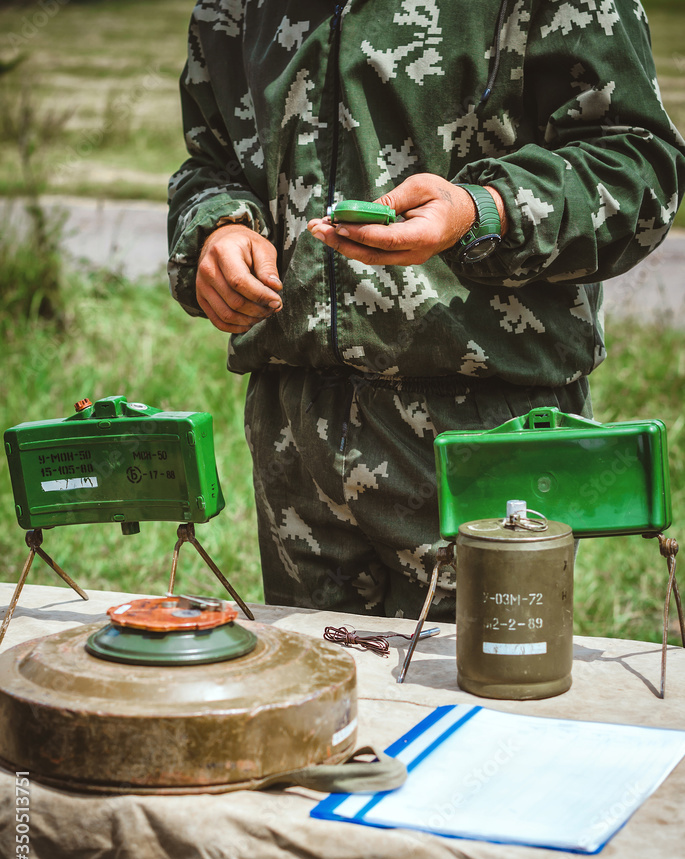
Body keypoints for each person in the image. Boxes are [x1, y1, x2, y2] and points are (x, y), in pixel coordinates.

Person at [168, 0, 684, 622]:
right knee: (314, 701)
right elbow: (212, 161)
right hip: (295, 437)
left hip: (485, 432)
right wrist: (216, 229)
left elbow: (640, 167)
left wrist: (482, 210)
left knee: (488, 701)